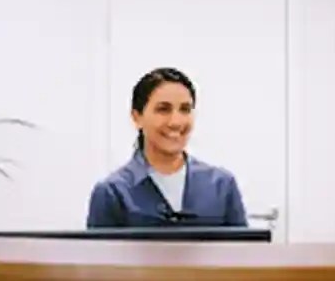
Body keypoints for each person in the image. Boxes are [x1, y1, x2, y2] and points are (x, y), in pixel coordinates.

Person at [87, 67, 247, 228]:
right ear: (137, 117)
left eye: (185, 109)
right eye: (163, 109)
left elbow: (242, 244)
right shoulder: (113, 192)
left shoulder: (222, 186)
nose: (175, 122)